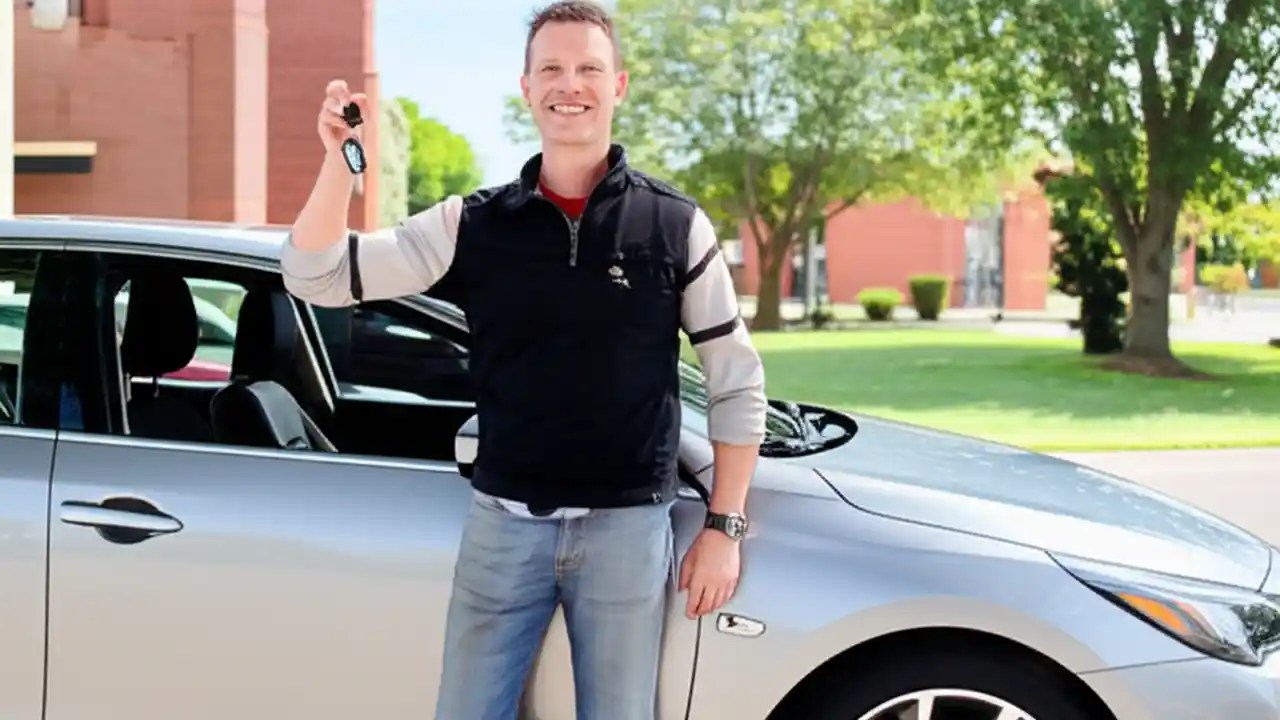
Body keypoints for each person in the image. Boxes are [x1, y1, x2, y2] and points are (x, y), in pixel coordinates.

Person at [279, 1, 766, 717]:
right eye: (552, 70)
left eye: (589, 69)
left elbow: (736, 381)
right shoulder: (471, 223)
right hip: (502, 528)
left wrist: (724, 527)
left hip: (628, 533)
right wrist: (338, 165)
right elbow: (315, 275)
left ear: (619, 85)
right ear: (526, 88)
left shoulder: (674, 224)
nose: (571, 84)